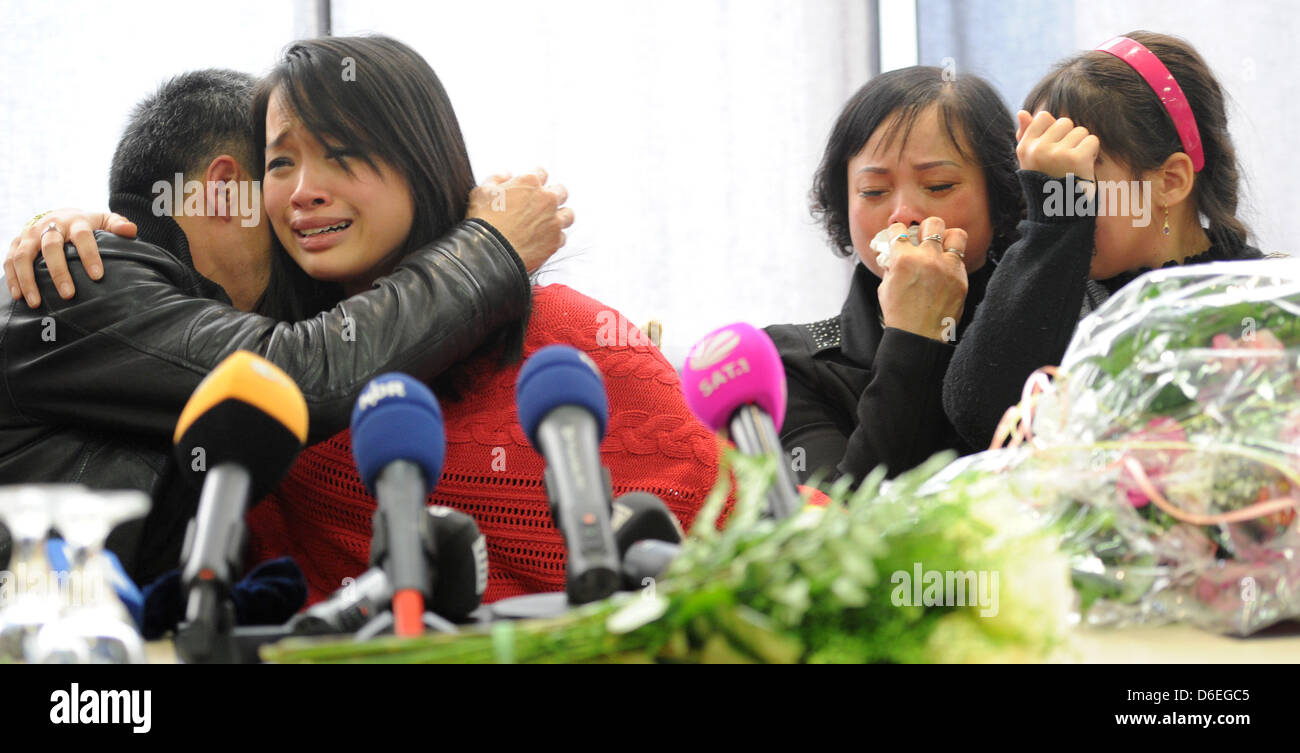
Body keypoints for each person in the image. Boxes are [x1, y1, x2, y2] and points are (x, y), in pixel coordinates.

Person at [0, 66, 570, 584]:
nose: (302, 208)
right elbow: (301, 373)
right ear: (225, 190)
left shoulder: (146, 289)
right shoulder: (79, 277)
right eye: (279, 167)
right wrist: (489, 249)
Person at [234, 36, 726, 604]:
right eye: (280, 163)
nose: (303, 192)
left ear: (420, 157)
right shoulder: (273, 374)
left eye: (341, 151)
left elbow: (742, 524)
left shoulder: (570, 336)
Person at [943, 31, 1264, 451]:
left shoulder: (1263, 301)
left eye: (1082, 172)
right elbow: (979, 413)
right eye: (1046, 180)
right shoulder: (1043, 283)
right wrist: (1054, 227)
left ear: (1170, 181)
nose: (1061, 197)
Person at [764, 66, 1022, 484]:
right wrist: (915, 335)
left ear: (1000, 197)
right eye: (873, 192)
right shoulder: (788, 363)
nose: (903, 213)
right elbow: (846, 526)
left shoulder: (1052, 327)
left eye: (938, 185)